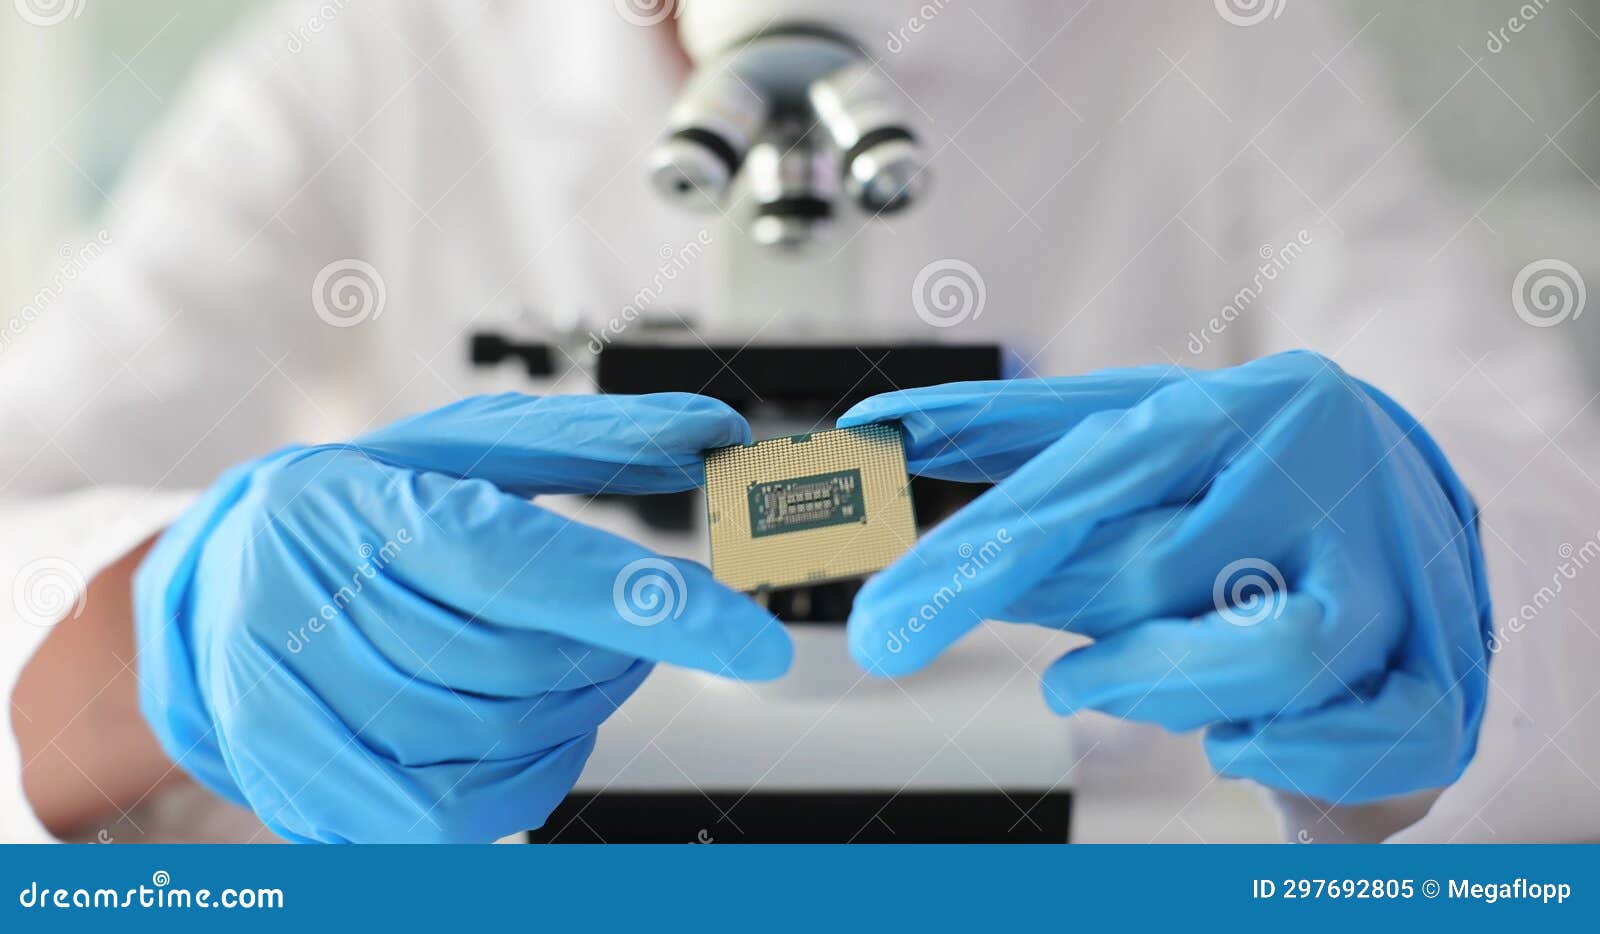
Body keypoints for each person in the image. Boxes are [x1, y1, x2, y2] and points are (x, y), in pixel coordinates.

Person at [4, 0, 1597, 843]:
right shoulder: (372, 51)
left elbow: (1561, 557)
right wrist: (164, 629)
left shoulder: (1216, 47)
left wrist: (1443, 572)